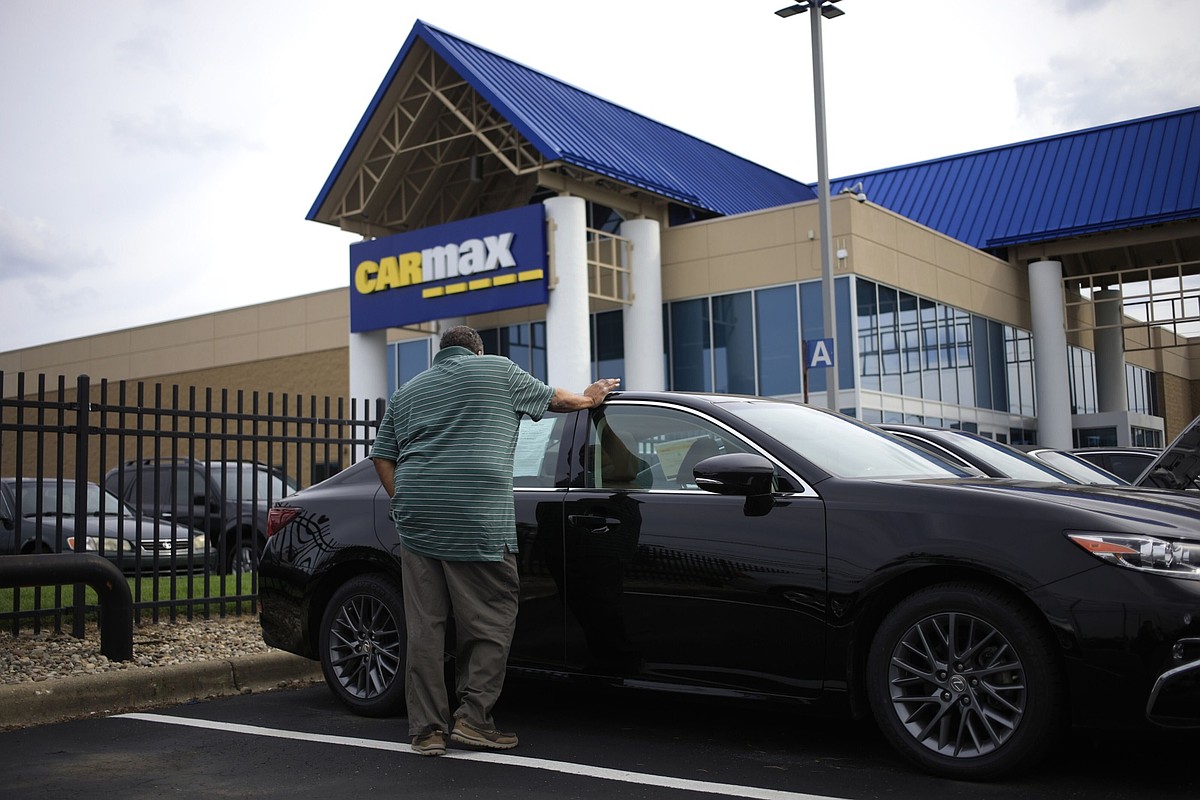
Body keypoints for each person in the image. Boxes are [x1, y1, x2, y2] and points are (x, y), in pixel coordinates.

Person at [369, 325, 620, 757]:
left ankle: (426, 732)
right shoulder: (497, 370)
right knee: (490, 618)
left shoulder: (407, 391)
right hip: (475, 516)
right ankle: (472, 720)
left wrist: (406, 500)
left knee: (427, 628)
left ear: (440, 355)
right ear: (477, 351)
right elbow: (559, 401)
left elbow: (382, 455)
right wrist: (591, 397)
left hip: (417, 519)